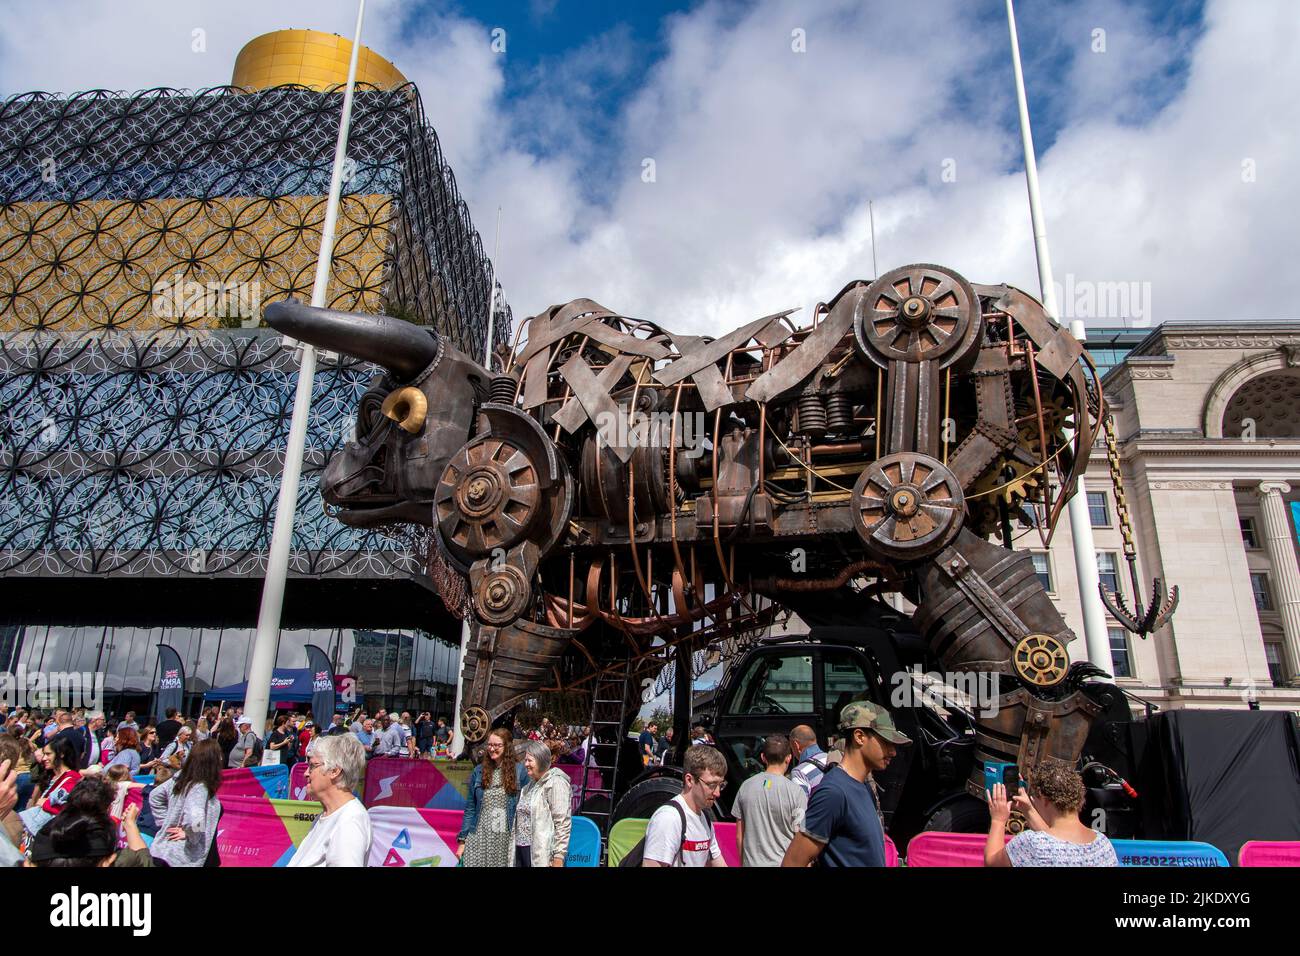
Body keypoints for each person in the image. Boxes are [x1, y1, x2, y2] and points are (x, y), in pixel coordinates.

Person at [781, 702, 910, 868]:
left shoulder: (864, 787)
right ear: (859, 736)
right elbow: (792, 863)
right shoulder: (833, 792)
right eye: (886, 741)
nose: (893, 751)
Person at [984, 760, 1119, 867]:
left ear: (1045, 799)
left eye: (1034, 798)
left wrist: (998, 820)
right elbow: (1056, 841)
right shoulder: (1103, 844)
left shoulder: (1032, 843)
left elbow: (992, 863)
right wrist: (1028, 810)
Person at [288, 733, 372, 867]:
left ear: (334, 771)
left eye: (312, 766)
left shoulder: (350, 820)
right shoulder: (330, 814)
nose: (306, 773)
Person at [642, 745, 728, 867]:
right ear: (689, 780)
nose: (717, 793)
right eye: (712, 784)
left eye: (721, 785)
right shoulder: (669, 818)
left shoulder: (705, 819)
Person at [458, 727, 528, 867]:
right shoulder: (478, 771)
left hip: (505, 839)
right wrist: (462, 841)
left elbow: (526, 809)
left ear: (507, 747)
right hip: (478, 837)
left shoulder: (520, 772)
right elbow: (470, 809)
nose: (492, 749)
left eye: (497, 745)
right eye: (490, 745)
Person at [733, 734, 807, 867]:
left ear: (763, 757)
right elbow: (800, 838)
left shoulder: (745, 787)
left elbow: (739, 836)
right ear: (789, 758)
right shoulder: (796, 792)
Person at [149, 738, 222, 867]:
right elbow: (196, 819)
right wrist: (190, 835)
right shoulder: (199, 787)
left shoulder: (179, 779)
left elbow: (155, 795)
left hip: (165, 851)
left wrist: (167, 823)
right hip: (184, 857)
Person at [512, 739, 573, 868]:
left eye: (530, 760)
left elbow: (562, 822)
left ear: (540, 761)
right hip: (522, 851)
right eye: (525, 760)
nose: (526, 764)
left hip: (541, 855)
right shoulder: (528, 787)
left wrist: (558, 857)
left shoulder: (556, 783)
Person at [19, 736, 82, 839]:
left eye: (48, 754)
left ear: (61, 754)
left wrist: (46, 804)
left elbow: (70, 811)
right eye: (44, 754)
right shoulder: (51, 776)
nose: (44, 758)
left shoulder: (72, 778)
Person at [789, 724, 830, 795]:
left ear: (796, 745)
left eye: (792, 748)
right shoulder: (833, 759)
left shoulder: (799, 772)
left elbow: (801, 804)